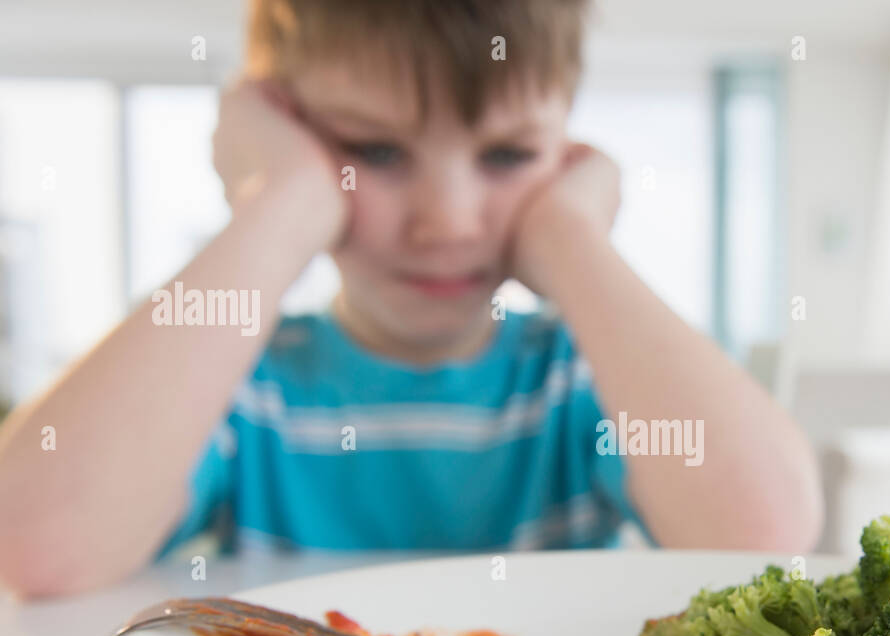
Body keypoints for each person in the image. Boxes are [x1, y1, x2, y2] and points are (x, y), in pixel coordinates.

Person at [0, 0, 822, 598]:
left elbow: (765, 532)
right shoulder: (239, 384)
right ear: (283, 135)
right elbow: (34, 542)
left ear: (566, 155)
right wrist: (280, 204)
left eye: (507, 155)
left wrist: (575, 241)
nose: (448, 223)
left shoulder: (580, 377)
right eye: (374, 150)